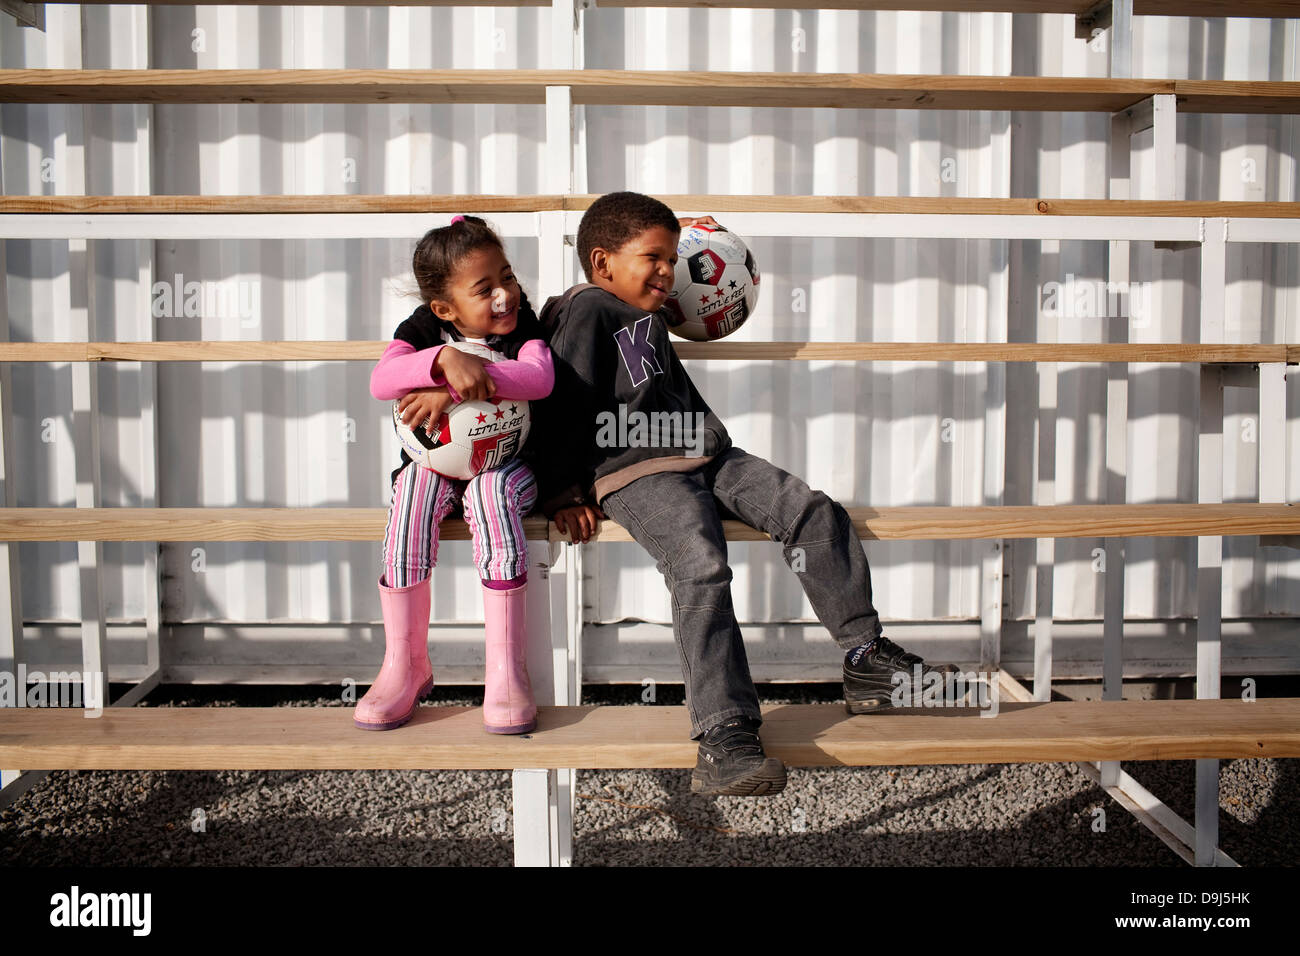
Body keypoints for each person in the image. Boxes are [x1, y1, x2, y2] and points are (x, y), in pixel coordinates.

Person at [526, 191, 954, 796]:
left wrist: (711, 441)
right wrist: (565, 492)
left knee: (810, 509)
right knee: (699, 566)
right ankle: (725, 735)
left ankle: (867, 657)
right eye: (654, 257)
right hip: (636, 471)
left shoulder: (642, 312)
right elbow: (559, 407)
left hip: (707, 454)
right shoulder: (590, 308)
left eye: (673, 259)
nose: (669, 272)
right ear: (602, 263)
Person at [359, 215, 554, 734]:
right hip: (437, 469)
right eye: (484, 288)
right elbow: (382, 380)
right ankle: (405, 664)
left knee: (490, 493)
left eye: (507, 277)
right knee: (412, 492)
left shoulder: (525, 327)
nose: (505, 295)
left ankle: (505, 671)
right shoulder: (423, 330)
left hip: (512, 466)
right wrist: (444, 358)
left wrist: (466, 381)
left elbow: (538, 379)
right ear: (444, 308)